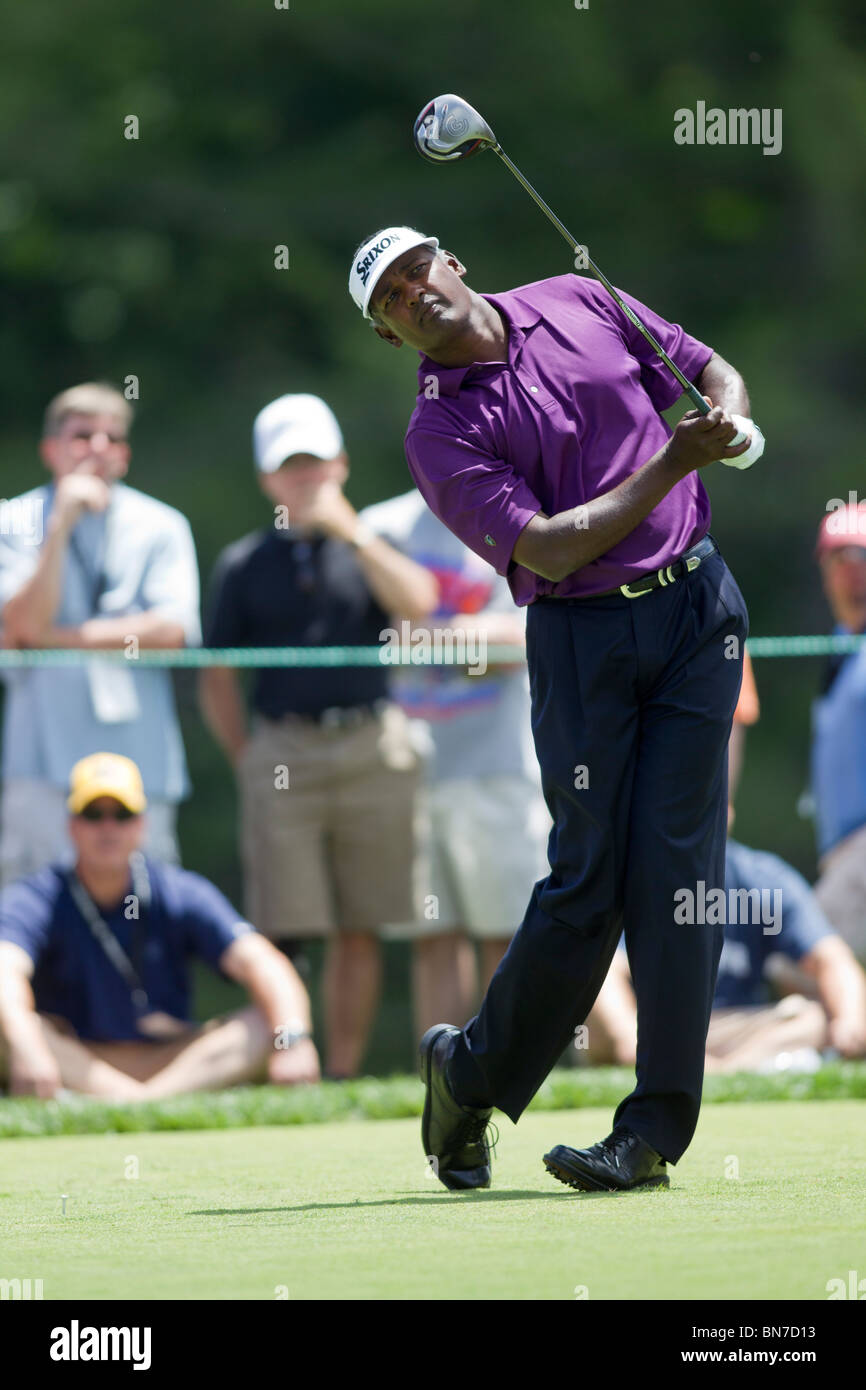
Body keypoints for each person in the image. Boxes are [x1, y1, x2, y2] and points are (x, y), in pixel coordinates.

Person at [350, 225, 755, 1192]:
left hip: (699, 611)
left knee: (680, 876)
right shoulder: (437, 434)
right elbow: (550, 548)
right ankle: (468, 1075)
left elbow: (707, 368)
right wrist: (677, 460)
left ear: (452, 260)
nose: (414, 294)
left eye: (417, 271)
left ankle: (650, 1135)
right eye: (391, 300)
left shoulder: (577, 297)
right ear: (390, 335)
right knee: (590, 882)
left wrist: (730, 421)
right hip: (584, 641)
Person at [199, 394, 438, 1079]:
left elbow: (419, 603)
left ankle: (341, 1076)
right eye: (290, 467)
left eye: (316, 463)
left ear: (341, 465)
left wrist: (352, 533)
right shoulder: (244, 563)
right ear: (266, 479)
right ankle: (291, 1064)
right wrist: (248, 757)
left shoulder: (371, 547)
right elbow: (217, 676)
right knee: (285, 924)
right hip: (284, 750)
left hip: (371, 746)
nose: (305, 478)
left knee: (362, 924)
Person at [0, 753, 320, 1099]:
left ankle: (135, 1102)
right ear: (72, 826)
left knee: (265, 1023)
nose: (108, 828)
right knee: (9, 1027)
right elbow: (5, 971)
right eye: (93, 815)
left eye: (122, 815)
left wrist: (294, 1040)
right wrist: (27, 1045)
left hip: (172, 1061)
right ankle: (139, 1101)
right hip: (74, 1058)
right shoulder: (39, 896)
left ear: (142, 825)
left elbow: (264, 963)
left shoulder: (179, 890)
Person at [359, 487, 550, 1037]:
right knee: (431, 938)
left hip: (498, 767)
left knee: (506, 935)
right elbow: (364, 638)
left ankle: (505, 1068)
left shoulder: (516, 518)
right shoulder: (380, 525)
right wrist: (465, 642)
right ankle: (440, 1071)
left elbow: (515, 644)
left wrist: (423, 640)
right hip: (406, 770)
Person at [0, 382, 200, 883]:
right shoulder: (12, 521)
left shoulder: (163, 525)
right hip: (40, 767)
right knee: (33, 913)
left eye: (111, 438)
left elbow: (172, 631)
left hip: (141, 761)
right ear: (51, 450)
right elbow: (20, 627)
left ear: (125, 455)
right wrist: (60, 524)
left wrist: (57, 638)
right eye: (81, 435)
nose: (97, 447)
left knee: (145, 908)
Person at [585, 836, 866, 1072]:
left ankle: (722, 1073)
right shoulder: (639, 872)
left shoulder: (760, 876)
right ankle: (732, 1070)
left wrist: (849, 1022)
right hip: (654, 1031)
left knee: (814, 1019)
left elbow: (832, 957)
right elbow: (606, 973)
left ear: (727, 811)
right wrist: (628, 1036)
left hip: (738, 1030)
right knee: (594, 1014)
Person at [810, 501, 866, 961]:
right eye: (838, 558)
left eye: (861, 556)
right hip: (841, 855)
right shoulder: (840, 644)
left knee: (800, 966)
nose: (851, 571)